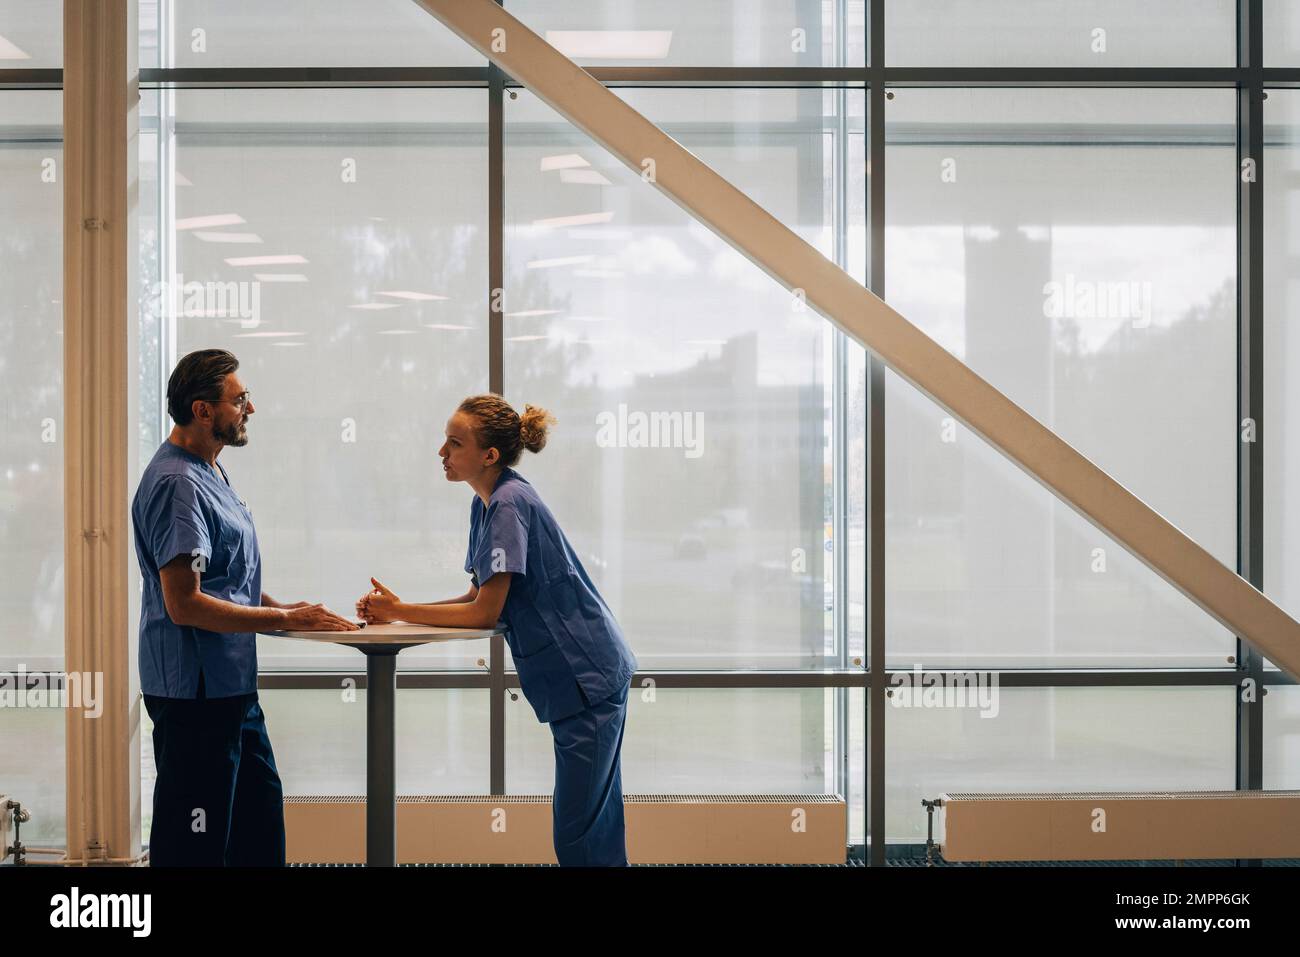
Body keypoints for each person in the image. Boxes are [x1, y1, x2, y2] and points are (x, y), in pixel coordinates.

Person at [357, 394, 638, 866]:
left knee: (580, 835)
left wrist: (400, 610)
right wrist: (397, 612)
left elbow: (485, 614)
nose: (441, 453)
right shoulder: (487, 503)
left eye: (454, 443)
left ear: (489, 455)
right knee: (593, 828)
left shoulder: (508, 504)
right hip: (584, 676)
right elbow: (476, 598)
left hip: (586, 677)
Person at [132, 348, 358, 866]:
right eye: (241, 399)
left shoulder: (210, 471)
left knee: (258, 827)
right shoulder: (178, 484)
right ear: (203, 410)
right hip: (195, 697)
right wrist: (284, 620)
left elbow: (224, 577)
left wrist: (285, 608)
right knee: (196, 844)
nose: (250, 409)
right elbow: (185, 604)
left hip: (232, 692)